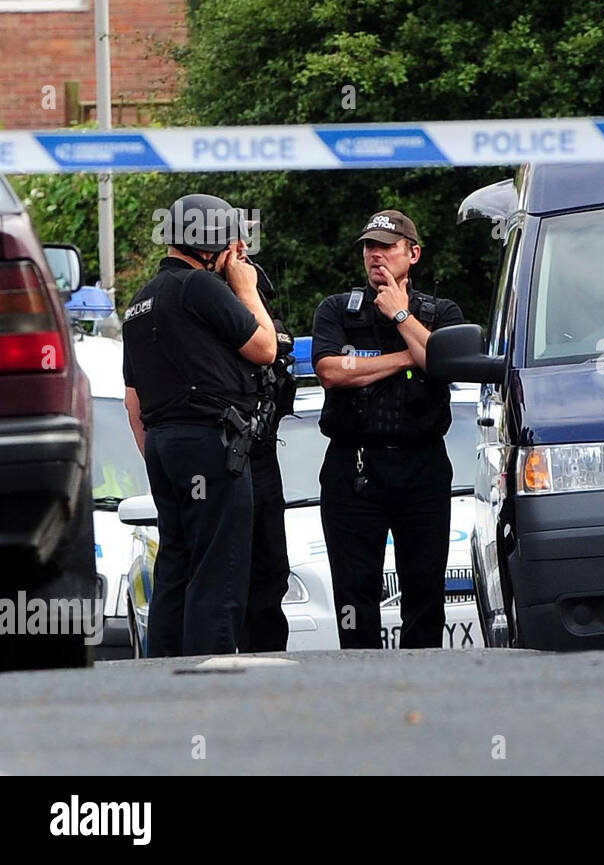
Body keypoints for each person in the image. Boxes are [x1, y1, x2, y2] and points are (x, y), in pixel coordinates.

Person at [122, 194, 278, 657]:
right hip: (211, 443)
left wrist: (159, 453)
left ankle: (163, 673)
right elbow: (265, 348)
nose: (239, 252)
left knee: (176, 561)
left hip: (163, 446)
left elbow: (133, 402)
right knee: (218, 567)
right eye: (232, 241)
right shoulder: (199, 287)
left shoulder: (139, 301)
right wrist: (246, 287)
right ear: (209, 240)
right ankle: (207, 676)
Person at [311, 209, 465, 648]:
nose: (376, 256)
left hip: (422, 467)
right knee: (355, 596)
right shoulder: (337, 310)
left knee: (425, 590)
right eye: (369, 248)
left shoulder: (442, 311)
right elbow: (333, 372)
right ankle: (362, 688)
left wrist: (401, 316)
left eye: (387, 247)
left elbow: (447, 364)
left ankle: (424, 687)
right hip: (354, 467)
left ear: (412, 254)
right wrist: (409, 356)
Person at [237, 260, 297, 653]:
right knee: (229, 577)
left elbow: (274, 351)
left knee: (271, 572)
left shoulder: (260, 312)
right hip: (227, 456)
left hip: (262, 454)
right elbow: (264, 348)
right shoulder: (212, 306)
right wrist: (243, 288)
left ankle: (268, 661)